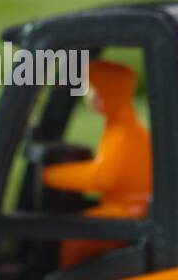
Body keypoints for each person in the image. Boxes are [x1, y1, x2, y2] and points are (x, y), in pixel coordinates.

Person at [43, 59, 152, 268]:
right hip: (130, 205)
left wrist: (51, 176)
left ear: (106, 93)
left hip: (128, 208)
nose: (87, 95)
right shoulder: (125, 130)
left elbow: (103, 176)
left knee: (75, 235)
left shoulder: (121, 135)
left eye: (90, 89)